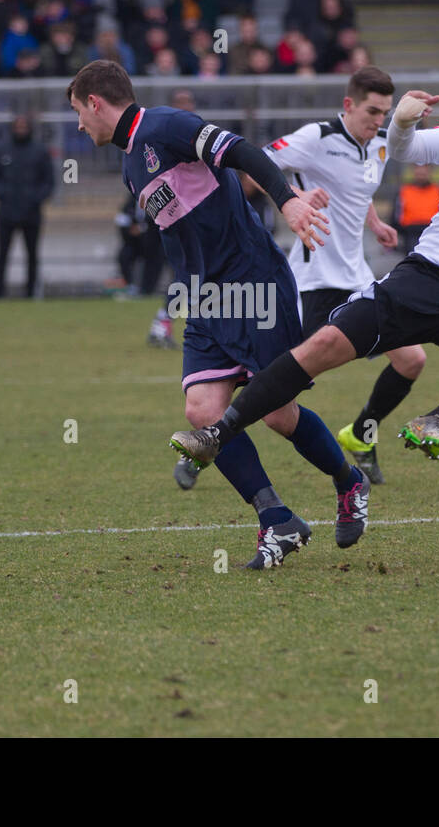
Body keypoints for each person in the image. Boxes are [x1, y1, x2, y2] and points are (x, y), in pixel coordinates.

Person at [171, 63, 439, 480]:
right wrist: (400, 122)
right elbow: (405, 149)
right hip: (425, 280)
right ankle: (216, 434)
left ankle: (438, 419)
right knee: (321, 347)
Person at [67, 60, 373, 569]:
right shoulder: (128, 165)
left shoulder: (167, 125)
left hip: (252, 281)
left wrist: (289, 202)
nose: (79, 125)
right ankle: (276, 519)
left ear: (96, 103)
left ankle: (349, 482)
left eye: (79, 112)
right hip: (206, 299)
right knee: (201, 411)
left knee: (275, 410)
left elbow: (244, 152)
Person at [247, 66, 426, 486]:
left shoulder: (381, 145)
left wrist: (375, 221)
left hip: (358, 278)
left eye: (385, 113)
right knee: (279, 393)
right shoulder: (317, 138)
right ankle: (216, 433)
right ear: (348, 104)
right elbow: (253, 164)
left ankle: (362, 435)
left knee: (412, 359)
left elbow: (355, 191)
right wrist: (295, 196)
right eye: (372, 112)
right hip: (312, 282)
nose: (379, 121)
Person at [0, 115, 53, 299]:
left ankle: (31, 293)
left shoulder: (40, 151)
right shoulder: (1, 150)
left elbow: (49, 181)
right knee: (2, 254)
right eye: (18, 125)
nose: (21, 129)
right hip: (6, 213)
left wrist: (36, 198)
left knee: (32, 255)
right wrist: (2, 194)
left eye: (25, 125)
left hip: (32, 213)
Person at [395, 163, 439, 255]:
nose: (421, 171)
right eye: (418, 168)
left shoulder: (438, 191)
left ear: (430, 170)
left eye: (425, 168)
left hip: (433, 235)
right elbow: (396, 217)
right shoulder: (404, 191)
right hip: (410, 236)